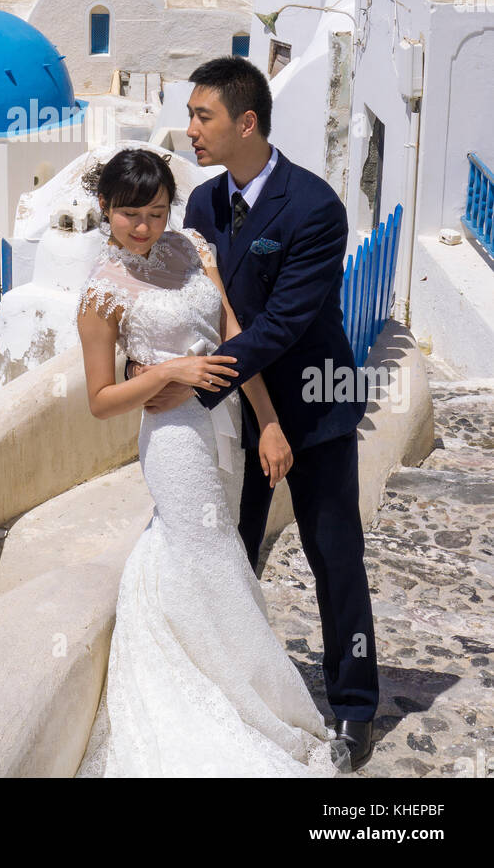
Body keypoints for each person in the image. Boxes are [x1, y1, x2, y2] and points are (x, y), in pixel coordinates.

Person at [129, 57, 379, 770]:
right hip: (236, 417)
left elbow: (280, 325)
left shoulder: (315, 208)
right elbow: (203, 308)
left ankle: (355, 707)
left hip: (313, 411)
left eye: (202, 116)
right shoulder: (203, 204)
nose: (191, 129)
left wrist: (198, 380)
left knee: (336, 561)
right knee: (228, 555)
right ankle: (238, 696)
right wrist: (153, 364)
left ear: (246, 122)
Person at [74, 145, 344, 778]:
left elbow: (232, 339)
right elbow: (100, 401)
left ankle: (224, 675)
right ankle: (233, 698)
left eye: (156, 211)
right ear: (106, 211)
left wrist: (271, 424)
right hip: (171, 437)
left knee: (209, 550)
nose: (143, 227)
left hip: (225, 422)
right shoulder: (101, 294)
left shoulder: (190, 248)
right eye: (128, 214)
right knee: (209, 552)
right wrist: (168, 371)